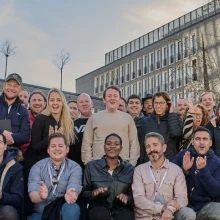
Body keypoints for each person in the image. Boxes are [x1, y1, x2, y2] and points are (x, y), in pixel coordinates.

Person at [132, 132, 195, 220]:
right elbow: (138, 199)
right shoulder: (139, 170)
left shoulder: (176, 170)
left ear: (164, 147)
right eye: (148, 146)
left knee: (188, 213)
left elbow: (182, 199)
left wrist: (169, 209)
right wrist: (162, 208)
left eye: (155, 145)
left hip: (169, 216)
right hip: (145, 217)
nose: (151, 149)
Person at [28, 133, 82, 220]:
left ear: (67, 149)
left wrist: (71, 195)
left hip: (62, 209)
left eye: (60, 146)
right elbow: (33, 196)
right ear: (48, 150)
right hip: (42, 211)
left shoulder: (75, 167)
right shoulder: (37, 167)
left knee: (72, 209)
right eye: (53, 146)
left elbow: (74, 186)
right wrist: (40, 196)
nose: (57, 149)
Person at [81, 86, 140, 166]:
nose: (112, 98)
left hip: (123, 166)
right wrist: (89, 164)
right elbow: (87, 143)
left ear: (119, 100)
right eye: (109, 96)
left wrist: (131, 164)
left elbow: (134, 143)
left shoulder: (127, 118)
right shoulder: (94, 118)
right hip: (98, 166)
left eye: (115, 96)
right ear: (104, 99)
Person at [83, 133, 135, 220]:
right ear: (104, 147)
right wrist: (92, 194)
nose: (112, 146)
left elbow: (135, 196)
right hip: (98, 208)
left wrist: (127, 198)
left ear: (121, 148)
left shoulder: (130, 169)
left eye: (116, 144)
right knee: (100, 215)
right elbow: (83, 193)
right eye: (108, 143)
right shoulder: (91, 166)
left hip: (121, 209)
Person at [173, 127, 220, 219]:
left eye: (205, 139)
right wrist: (184, 170)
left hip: (204, 206)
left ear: (210, 143)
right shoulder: (184, 154)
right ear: (193, 142)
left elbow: (216, 192)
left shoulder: (217, 162)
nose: (201, 142)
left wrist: (203, 171)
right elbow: (169, 178)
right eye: (198, 139)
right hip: (181, 205)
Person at [30, 88, 74, 166]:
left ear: (63, 103)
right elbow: (35, 148)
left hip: (59, 166)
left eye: (58, 100)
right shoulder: (40, 118)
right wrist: (49, 138)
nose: (55, 103)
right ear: (48, 103)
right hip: (39, 165)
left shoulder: (67, 122)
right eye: (52, 100)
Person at [140, 92, 182, 163]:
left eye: (162, 103)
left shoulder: (175, 118)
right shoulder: (145, 121)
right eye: (156, 103)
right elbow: (142, 145)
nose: (158, 106)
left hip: (170, 162)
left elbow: (176, 133)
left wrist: (171, 113)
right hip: (150, 163)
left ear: (167, 105)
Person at [0, 73, 30, 149]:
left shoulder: (23, 111)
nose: (12, 88)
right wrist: (3, 132)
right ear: (4, 86)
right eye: (9, 84)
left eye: (15, 86)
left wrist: (10, 136)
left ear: (20, 89)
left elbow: (25, 136)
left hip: (11, 152)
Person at [0, 133, 24, 220]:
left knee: (9, 213)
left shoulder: (14, 167)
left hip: (3, 207)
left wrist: (2, 196)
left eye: (0, 142)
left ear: (5, 146)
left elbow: (18, 199)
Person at [69, 93, 93, 168]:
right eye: (81, 102)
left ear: (91, 104)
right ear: (78, 106)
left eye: (86, 101)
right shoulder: (71, 125)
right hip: (75, 166)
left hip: (95, 165)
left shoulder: (99, 121)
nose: (84, 104)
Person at [127, 94, 144, 164]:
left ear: (141, 107)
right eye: (131, 103)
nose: (134, 105)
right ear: (126, 106)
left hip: (142, 161)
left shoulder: (147, 122)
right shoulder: (121, 121)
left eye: (137, 103)